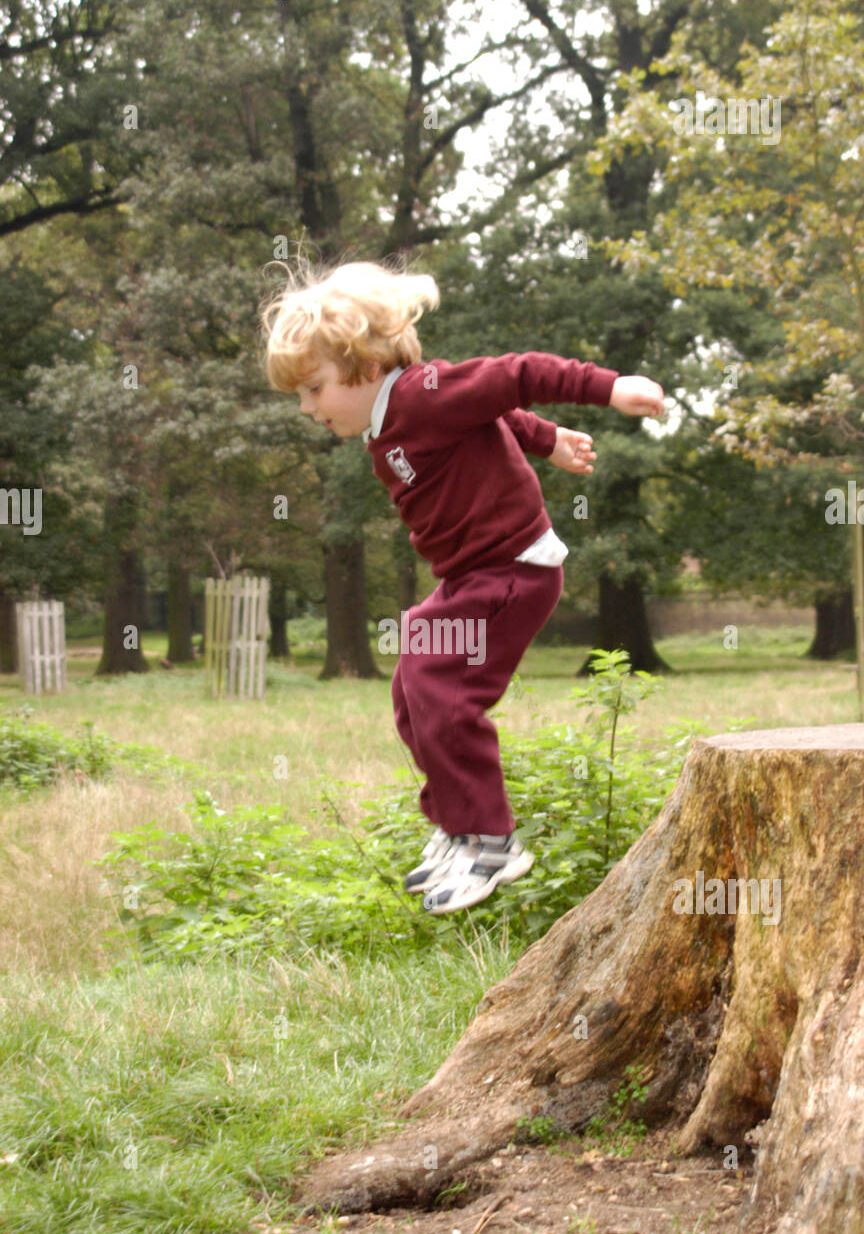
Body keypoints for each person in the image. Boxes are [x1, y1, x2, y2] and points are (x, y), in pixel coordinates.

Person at [259, 259, 664, 915]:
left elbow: (514, 376)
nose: (307, 408)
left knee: (440, 687)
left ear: (361, 360)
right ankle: (458, 828)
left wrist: (608, 388)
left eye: (313, 389)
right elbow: (490, 416)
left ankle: (494, 844)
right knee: (411, 687)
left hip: (513, 569)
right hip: (471, 577)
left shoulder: (425, 391)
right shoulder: (388, 422)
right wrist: (548, 439)